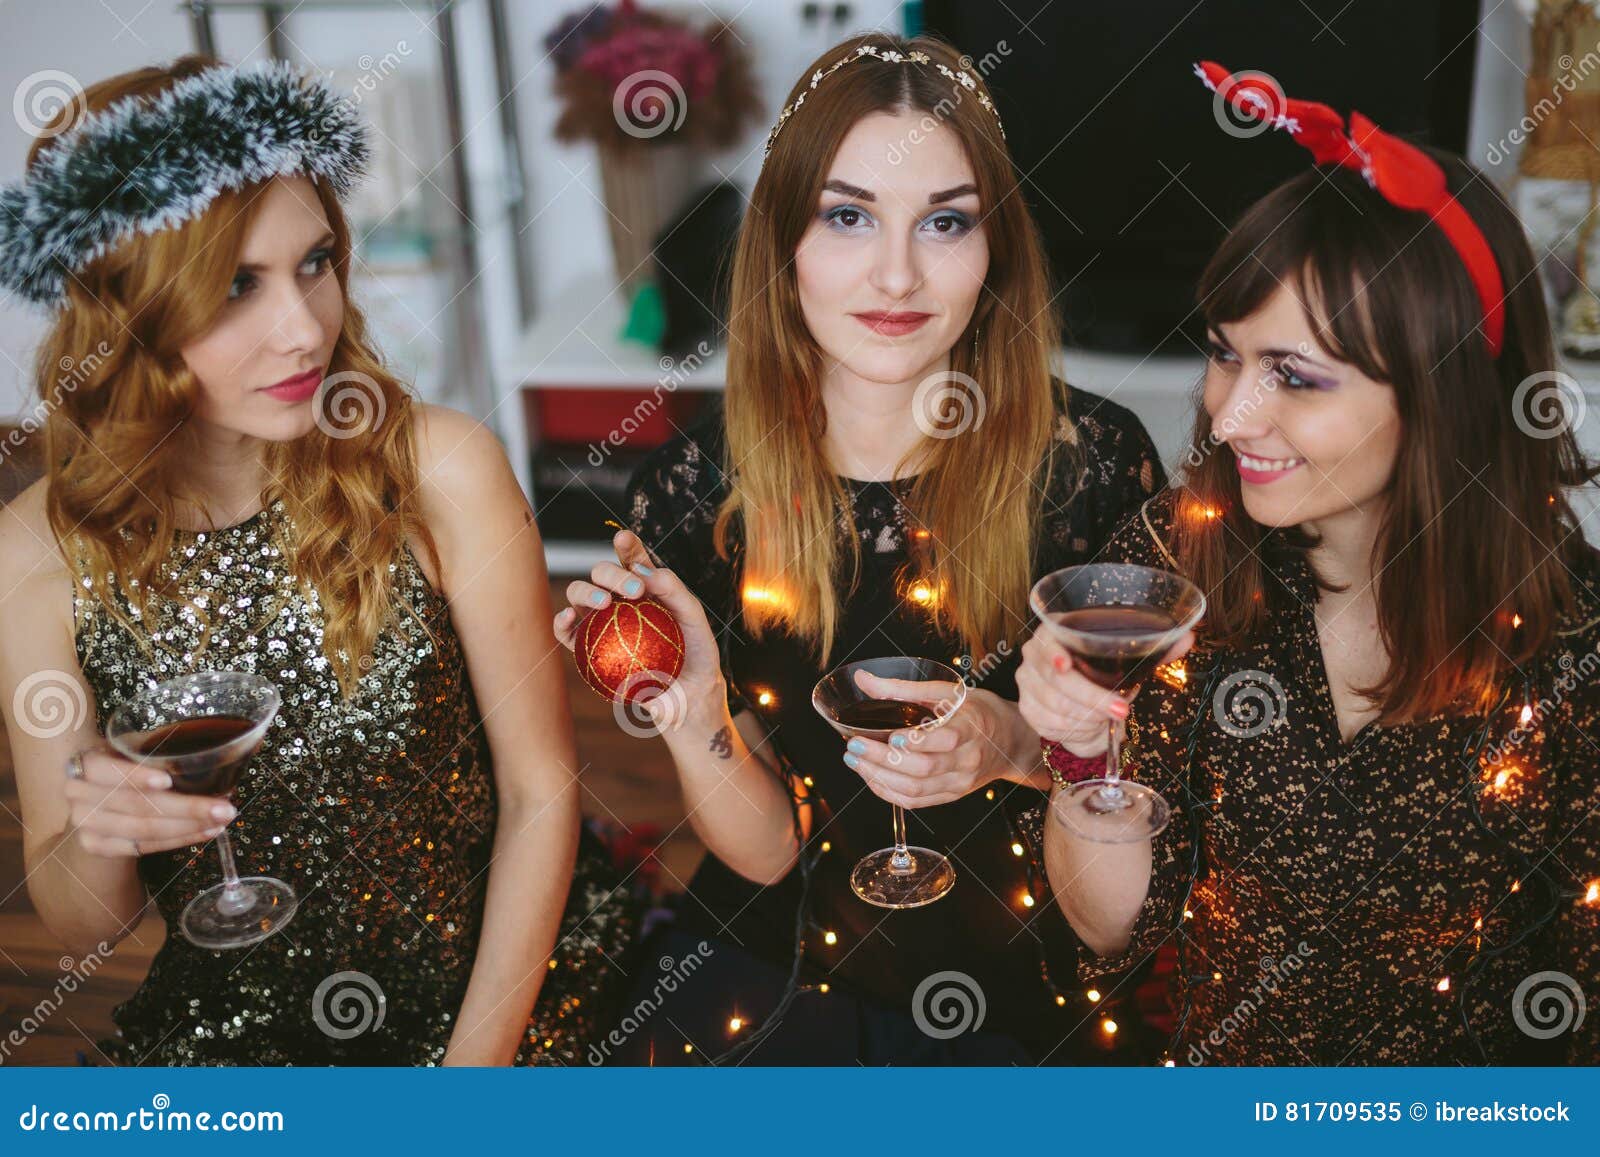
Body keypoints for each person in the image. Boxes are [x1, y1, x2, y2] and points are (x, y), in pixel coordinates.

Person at [0, 56, 635, 1065]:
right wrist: (101, 836)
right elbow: (81, 924)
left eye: (315, 261)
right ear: (128, 315)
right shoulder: (40, 545)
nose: (304, 328)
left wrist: (468, 1088)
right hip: (235, 1035)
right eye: (236, 286)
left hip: (502, 1002)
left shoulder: (442, 468)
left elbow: (541, 790)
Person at [554, 33, 1164, 1064]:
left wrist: (1013, 745)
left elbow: (1130, 830)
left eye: (944, 221)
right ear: (785, 239)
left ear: (994, 246)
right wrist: (698, 713)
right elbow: (764, 850)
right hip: (779, 960)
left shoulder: (1094, 466)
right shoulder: (697, 488)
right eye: (847, 216)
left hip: (1028, 977)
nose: (896, 272)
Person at [1018, 63, 1600, 1065]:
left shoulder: (1572, 637)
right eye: (1226, 352)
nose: (1229, 413)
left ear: (1440, 395)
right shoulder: (1174, 559)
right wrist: (1077, 756)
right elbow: (1110, 926)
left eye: (1294, 374)